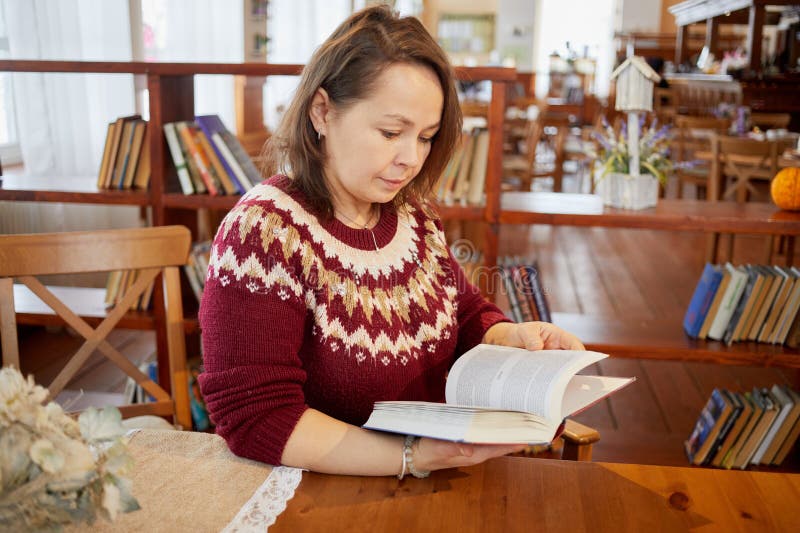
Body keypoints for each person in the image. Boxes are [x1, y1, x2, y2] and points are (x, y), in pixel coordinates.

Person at [198, 5, 584, 478]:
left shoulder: (412, 215)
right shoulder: (264, 233)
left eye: (426, 137)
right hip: (327, 495)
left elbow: (463, 315)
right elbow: (255, 416)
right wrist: (411, 457)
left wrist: (513, 337)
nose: (411, 159)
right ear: (322, 111)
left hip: (436, 478)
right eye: (390, 132)